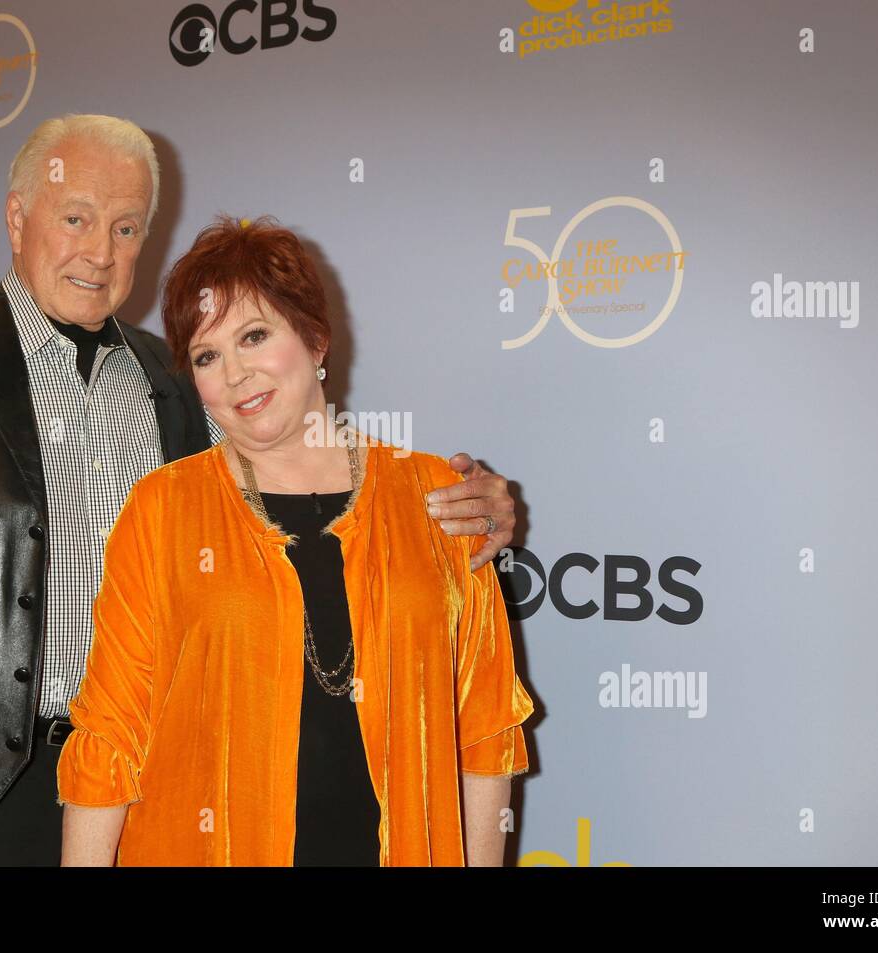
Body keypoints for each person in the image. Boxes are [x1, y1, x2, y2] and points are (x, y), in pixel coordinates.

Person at [0, 115, 520, 867]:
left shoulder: (179, 381)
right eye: (77, 218)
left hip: (140, 807)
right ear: (17, 218)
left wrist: (475, 505)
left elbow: (306, 478)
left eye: (127, 228)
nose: (100, 251)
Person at [58, 216, 534, 866]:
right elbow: (111, 735)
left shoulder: (439, 499)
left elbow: (484, 731)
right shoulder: (163, 509)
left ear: (314, 338)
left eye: (255, 335)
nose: (235, 373)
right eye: (207, 355)